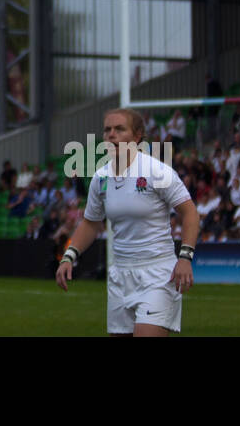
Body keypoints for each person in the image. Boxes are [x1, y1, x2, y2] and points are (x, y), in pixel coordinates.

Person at [56, 109, 199, 337]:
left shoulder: (157, 171)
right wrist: (69, 256)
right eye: (107, 129)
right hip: (120, 275)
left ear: (137, 136)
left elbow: (190, 214)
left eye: (119, 129)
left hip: (158, 275)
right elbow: (91, 223)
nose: (111, 134)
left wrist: (185, 257)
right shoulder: (100, 178)